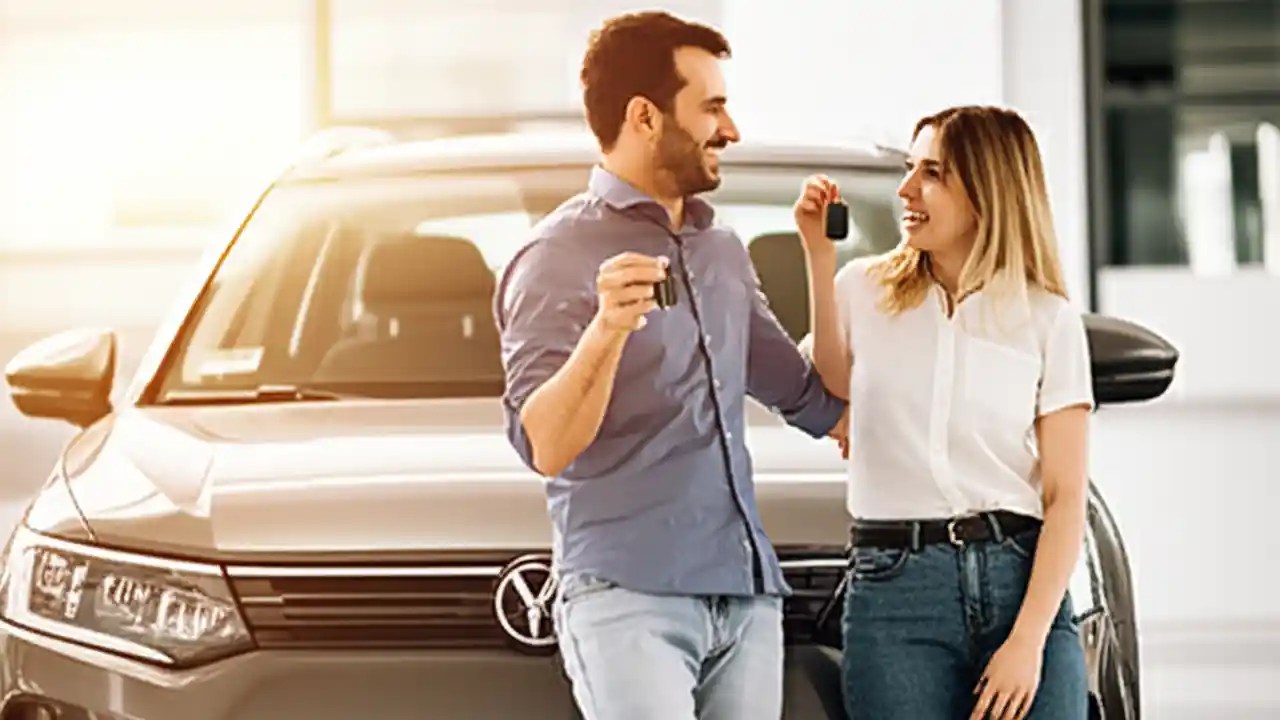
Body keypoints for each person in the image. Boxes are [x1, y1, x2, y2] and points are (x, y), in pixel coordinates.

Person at [492, 10, 848, 720]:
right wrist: (606, 331)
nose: (732, 129)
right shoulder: (552, 258)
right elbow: (548, 445)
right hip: (630, 600)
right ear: (645, 117)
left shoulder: (720, 252)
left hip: (745, 603)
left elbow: (816, 403)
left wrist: (820, 258)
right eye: (712, 107)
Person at [794, 105, 1093, 720]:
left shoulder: (1046, 317)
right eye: (910, 169)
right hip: (896, 593)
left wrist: (1029, 640)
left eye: (932, 173)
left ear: (988, 191)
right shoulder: (863, 290)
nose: (907, 189)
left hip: (1021, 582)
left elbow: (1066, 497)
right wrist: (818, 262)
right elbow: (829, 389)